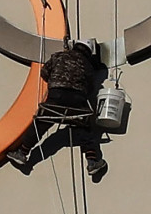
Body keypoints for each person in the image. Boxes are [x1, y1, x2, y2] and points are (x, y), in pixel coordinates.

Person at [7, 41, 108, 177]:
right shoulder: (88, 66)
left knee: (42, 122)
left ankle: (22, 152)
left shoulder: (59, 56)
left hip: (56, 95)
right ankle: (92, 161)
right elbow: (90, 89)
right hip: (77, 99)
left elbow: (44, 73)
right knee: (84, 125)